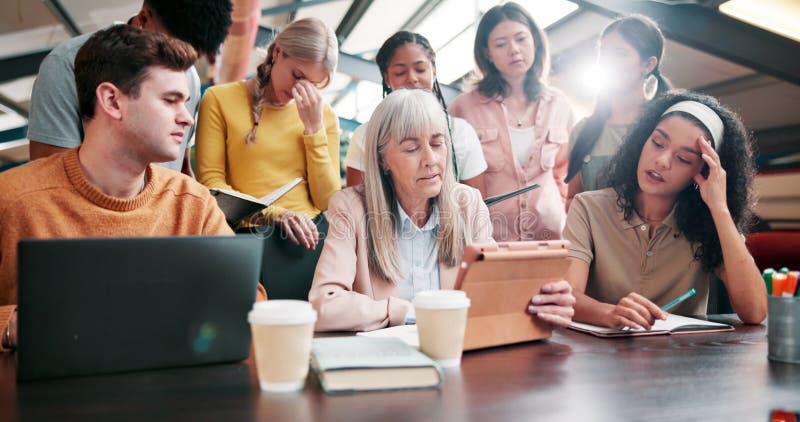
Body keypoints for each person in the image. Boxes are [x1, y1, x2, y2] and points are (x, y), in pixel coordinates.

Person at [0, 26, 266, 351]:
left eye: (186, 103)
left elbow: (251, 300)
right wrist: (14, 326)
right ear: (112, 101)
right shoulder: (11, 199)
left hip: (172, 393)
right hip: (47, 399)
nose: (187, 119)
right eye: (171, 101)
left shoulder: (192, 202)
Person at [309, 89, 575, 332]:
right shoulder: (350, 207)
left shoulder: (468, 203)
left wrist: (542, 298)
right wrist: (406, 312)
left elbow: (494, 291)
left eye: (437, 144)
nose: (431, 160)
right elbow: (324, 306)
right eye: (412, 148)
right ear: (382, 160)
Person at [565, 91, 767, 329]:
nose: (662, 161)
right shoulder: (588, 208)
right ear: (642, 141)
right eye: (657, 143)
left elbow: (754, 311)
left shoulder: (710, 221)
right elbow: (568, 297)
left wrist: (720, 209)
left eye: (683, 158)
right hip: (598, 355)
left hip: (680, 359)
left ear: (701, 172)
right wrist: (609, 314)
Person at [26, 0, 233, 177]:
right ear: (144, 19)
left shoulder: (190, 78)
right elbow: (50, 177)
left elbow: (180, 163)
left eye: (191, 60)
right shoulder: (66, 65)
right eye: (169, 100)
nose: (181, 69)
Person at [196, 17, 340, 250]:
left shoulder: (324, 115)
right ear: (277, 52)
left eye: (314, 85)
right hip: (246, 237)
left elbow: (327, 200)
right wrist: (275, 214)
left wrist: (314, 129)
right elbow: (212, 186)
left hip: (311, 240)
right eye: (298, 76)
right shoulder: (219, 99)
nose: (300, 91)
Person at [450, 2, 575, 242]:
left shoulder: (559, 105)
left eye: (521, 39)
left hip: (549, 239)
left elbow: (563, 172)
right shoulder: (462, 108)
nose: (514, 50)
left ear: (535, 42)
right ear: (487, 52)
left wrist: (556, 208)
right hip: (490, 242)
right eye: (501, 44)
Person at [344, 31, 488, 195]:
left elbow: (477, 204)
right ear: (386, 78)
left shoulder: (461, 132)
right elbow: (355, 205)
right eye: (400, 73)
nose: (412, 78)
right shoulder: (367, 135)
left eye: (420, 69)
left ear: (434, 71)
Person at [566, 15, 670, 208]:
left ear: (648, 65)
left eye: (620, 54)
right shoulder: (583, 130)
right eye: (603, 53)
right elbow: (573, 199)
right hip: (593, 237)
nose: (607, 62)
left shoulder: (665, 127)